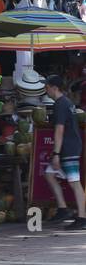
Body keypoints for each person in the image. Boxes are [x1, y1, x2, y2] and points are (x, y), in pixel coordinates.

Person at [44, 75, 85, 228]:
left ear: (54, 88)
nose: (46, 90)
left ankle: (82, 217)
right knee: (49, 174)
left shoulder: (60, 104)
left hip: (68, 147)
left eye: (47, 87)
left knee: (74, 182)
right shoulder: (67, 103)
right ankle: (63, 208)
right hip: (70, 145)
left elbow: (59, 129)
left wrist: (56, 154)